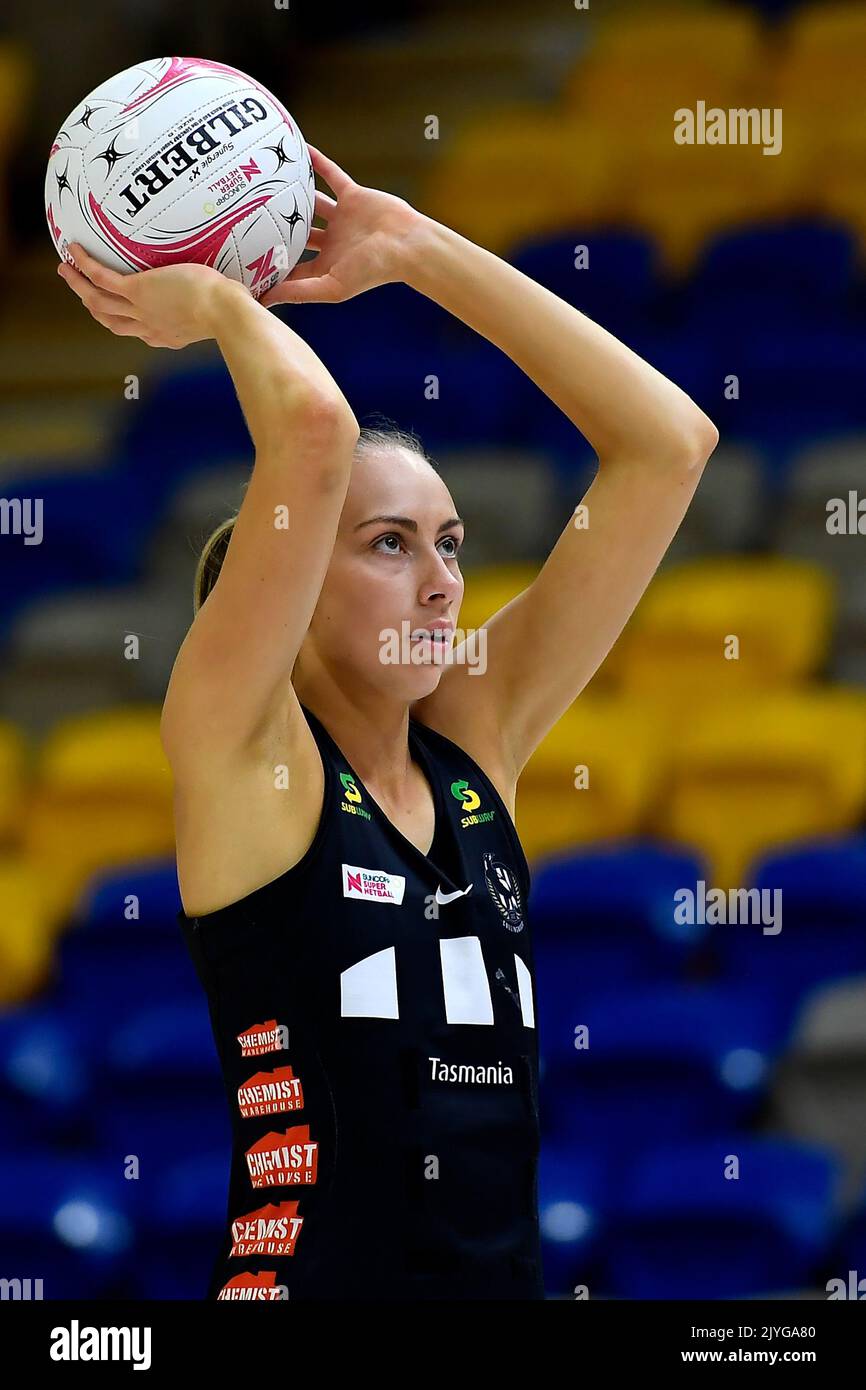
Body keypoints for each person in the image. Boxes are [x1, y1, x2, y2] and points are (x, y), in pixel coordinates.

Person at [57, 144, 719, 1300]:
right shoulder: (243, 747)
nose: (442, 581)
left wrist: (417, 250)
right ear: (293, 577)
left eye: (450, 543)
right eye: (387, 543)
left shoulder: (474, 739)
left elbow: (668, 444)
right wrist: (212, 297)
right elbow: (309, 432)